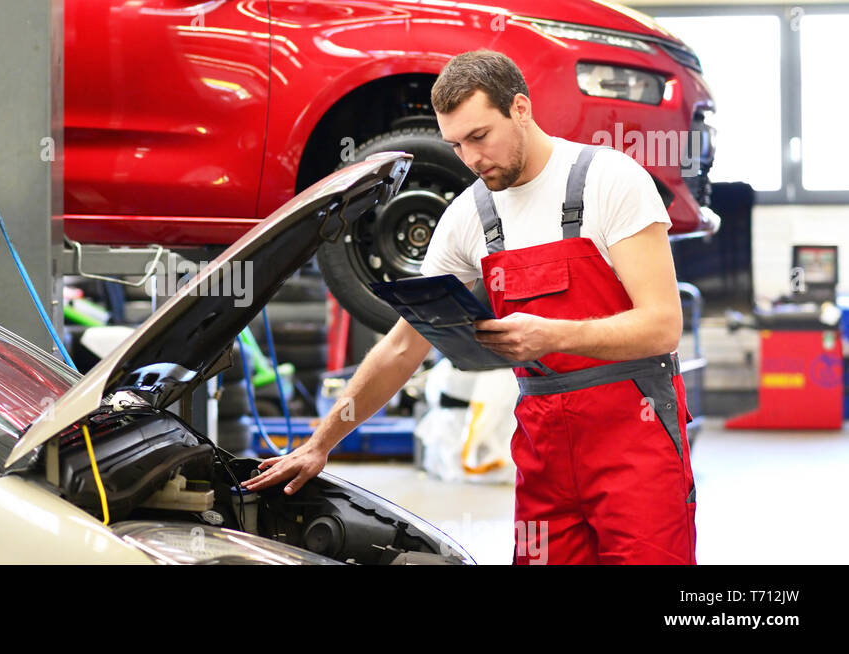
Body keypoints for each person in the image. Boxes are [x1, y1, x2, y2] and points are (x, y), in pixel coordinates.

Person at [241, 50, 697, 565]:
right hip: (544, 448)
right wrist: (319, 444)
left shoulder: (609, 180)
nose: (472, 159)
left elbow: (662, 326)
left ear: (520, 108)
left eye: (480, 137)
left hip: (634, 438)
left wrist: (552, 336)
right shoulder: (467, 218)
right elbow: (401, 346)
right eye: (456, 144)